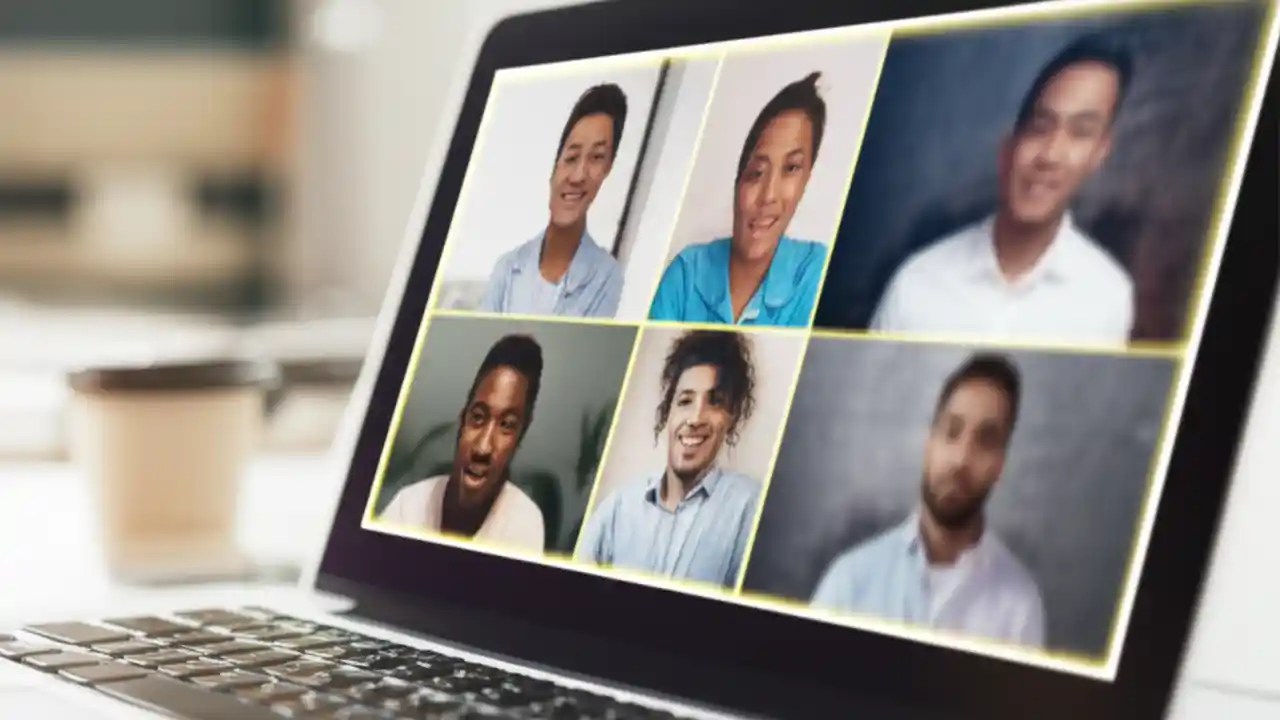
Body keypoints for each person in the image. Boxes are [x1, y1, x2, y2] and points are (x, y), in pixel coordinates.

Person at [870, 36, 1136, 345]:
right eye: (1040, 127)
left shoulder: (1109, 298)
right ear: (1010, 146)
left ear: (1100, 154)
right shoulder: (916, 283)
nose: (1050, 155)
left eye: (1081, 132)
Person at [811, 354, 1046, 648]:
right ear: (930, 443)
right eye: (952, 432)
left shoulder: (1020, 606)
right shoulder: (849, 580)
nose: (961, 459)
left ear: (1000, 464)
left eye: (986, 440)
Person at [577, 331, 762, 587]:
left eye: (715, 402)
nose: (695, 418)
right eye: (685, 401)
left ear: (732, 418)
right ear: (668, 411)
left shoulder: (750, 507)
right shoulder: (619, 507)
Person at [649, 73, 829, 327]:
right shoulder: (686, 273)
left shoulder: (817, 272)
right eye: (756, 173)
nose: (768, 196)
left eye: (791, 169)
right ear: (738, 181)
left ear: (806, 178)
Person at [380, 335, 545, 552]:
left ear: (520, 436)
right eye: (478, 417)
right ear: (462, 418)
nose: (483, 447)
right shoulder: (407, 507)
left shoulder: (524, 525)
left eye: (506, 425)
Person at [480, 84, 628, 317]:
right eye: (571, 157)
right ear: (555, 165)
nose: (578, 176)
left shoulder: (608, 278)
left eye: (597, 157)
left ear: (607, 169)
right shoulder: (507, 269)